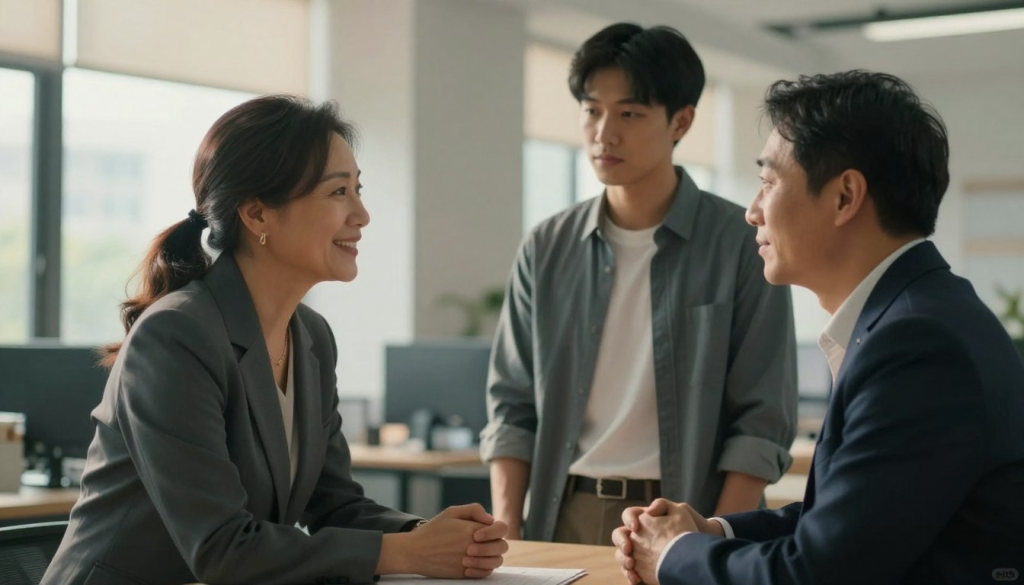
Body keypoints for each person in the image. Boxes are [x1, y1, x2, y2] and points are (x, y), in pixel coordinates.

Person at [43, 95, 508, 585]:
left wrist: (427, 535)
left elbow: (335, 503)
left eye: (358, 189)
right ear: (258, 214)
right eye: (338, 193)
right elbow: (223, 549)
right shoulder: (176, 335)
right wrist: (406, 554)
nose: (362, 215)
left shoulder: (311, 337)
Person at [613, 70, 1024, 584]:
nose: (752, 212)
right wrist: (711, 533)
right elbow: (851, 523)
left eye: (767, 182)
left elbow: (820, 573)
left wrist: (673, 557)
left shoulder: (917, 343)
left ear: (845, 197)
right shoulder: (918, 314)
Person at [481, 22, 798, 546]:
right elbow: (511, 407)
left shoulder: (741, 242)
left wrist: (713, 540)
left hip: (686, 517)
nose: (605, 132)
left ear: (681, 121)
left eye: (629, 113)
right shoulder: (547, 246)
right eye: (591, 110)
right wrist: (510, 535)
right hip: (565, 514)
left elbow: (761, 422)